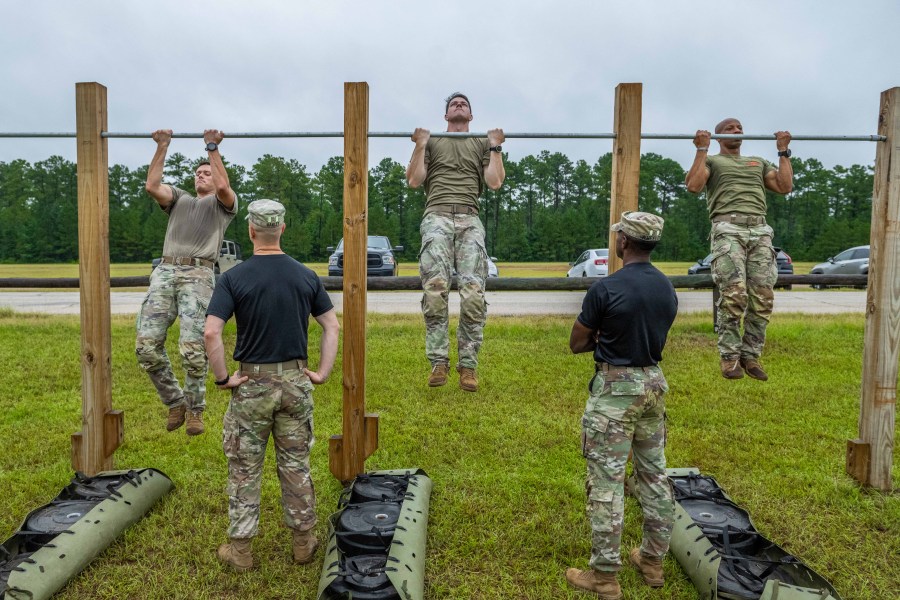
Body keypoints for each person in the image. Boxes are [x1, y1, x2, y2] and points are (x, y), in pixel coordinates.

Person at [204, 199, 339, 572]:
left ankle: (242, 551)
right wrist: (323, 372)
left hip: (251, 383)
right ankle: (302, 544)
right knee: (296, 463)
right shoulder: (306, 275)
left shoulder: (233, 277)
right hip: (296, 382)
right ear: (282, 229)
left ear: (250, 231)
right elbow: (331, 325)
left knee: (245, 468)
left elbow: (211, 332)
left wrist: (222, 378)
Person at [566, 212, 678, 600]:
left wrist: (602, 337)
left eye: (618, 235)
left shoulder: (606, 288)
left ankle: (604, 577)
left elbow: (577, 343)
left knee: (606, 485)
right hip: (653, 384)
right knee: (654, 477)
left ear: (625, 242)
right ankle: (651, 561)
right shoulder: (667, 287)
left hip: (616, 389)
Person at [136, 129, 238, 436]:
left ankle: (195, 409)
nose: (201, 176)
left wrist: (212, 148)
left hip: (198, 274)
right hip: (166, 272)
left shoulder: (224, 205)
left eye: (206, 172)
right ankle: (175, 401)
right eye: (197, 173)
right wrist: (162, 146)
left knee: (193, 348)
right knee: (146, 347)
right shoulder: (180, 199)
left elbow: (222, 185)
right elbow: (152, 185)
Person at [406, 92, 505, 392]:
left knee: (474, 293)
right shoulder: (433, 140)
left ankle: (468, 365)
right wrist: (420, 145)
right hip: (436, 215)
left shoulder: (480, 141)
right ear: (446, 115)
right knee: (435, 290)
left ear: (471, 116)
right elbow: (413, 180)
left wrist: (496, 147)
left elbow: (495, 182)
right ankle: (439, 361)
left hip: (469, 217)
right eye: (453, 104)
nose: (459, 105)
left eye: (464, 103)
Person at [685, 118, 793, 380]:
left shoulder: (757, 162)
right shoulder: (712, 161)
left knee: (763, 297)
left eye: (740, 128)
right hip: (728, 228)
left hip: (760, 230)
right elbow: (693, 185)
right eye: (731, 128)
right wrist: (701, 149)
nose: (737, 130)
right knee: (734, 295)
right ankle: (730, 357)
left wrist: (783, 152)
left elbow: (784, 186)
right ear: (719, 136)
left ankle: (751, 356)